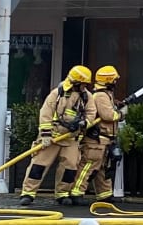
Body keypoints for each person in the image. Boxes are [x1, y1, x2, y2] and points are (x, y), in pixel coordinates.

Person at [18, 65, 92, 206]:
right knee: (39, 165)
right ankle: (28, 193)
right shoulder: (57, 94)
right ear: (77, 82)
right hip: (52, 137)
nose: (85, 86)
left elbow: (91, 113)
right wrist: (46, 135)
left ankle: (62, 194)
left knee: (69, 167)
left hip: (71, 138)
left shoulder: (86, 97)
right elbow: (45, 113)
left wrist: (83, 123)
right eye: (84, 84)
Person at [70, 65, 125, 205]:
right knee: (88, 166)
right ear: (108, 80)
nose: (115, 83)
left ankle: (104, 194)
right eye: (114, 80)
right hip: (96, 140)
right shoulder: (100, 95)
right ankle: (76, 192)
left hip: (105, 139)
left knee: (102, 168)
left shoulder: (106, 94)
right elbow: (107, 115)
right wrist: (121, 114)